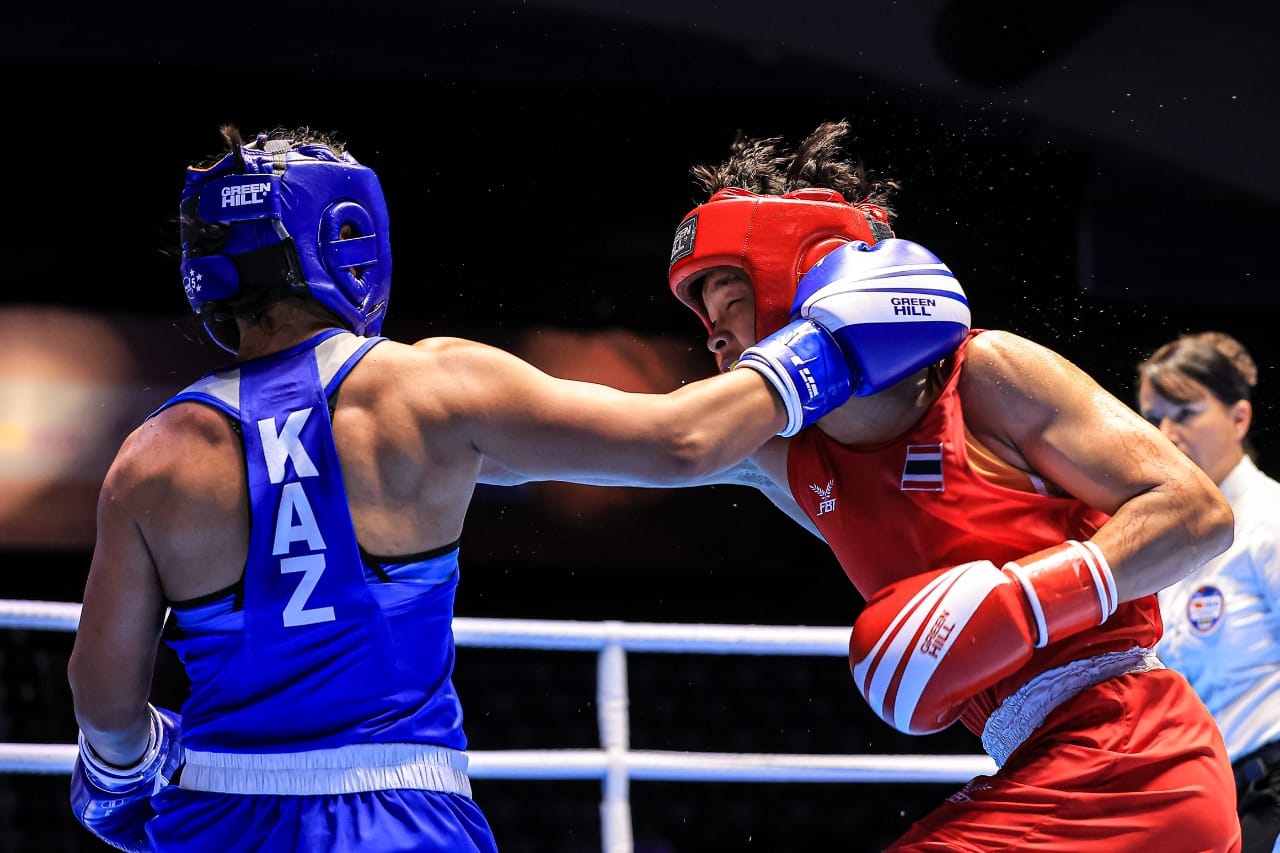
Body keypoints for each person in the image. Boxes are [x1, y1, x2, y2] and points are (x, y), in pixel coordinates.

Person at [64, 124, 963, 852]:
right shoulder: (428, 389)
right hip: (399, 815)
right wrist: (828, 349)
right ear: (344, 239)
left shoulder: (149, 460)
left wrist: (124, 770)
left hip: (210, 814)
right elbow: (684, 442)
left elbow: (102, 697)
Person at [493, 120, 1244, 850]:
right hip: (1046, 763)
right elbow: (596, 442)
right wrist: (427, 438)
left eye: (731, 303)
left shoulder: (983, 377)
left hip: (1136, 754)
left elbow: (1195, 511)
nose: (713, 335)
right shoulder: (781, 451)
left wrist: (1026, 600)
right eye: (704, 315)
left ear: (805, 274)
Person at [1137, 332, 1280, 853]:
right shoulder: (1159, 536)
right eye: (1154, 419)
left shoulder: (1272, 522)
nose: (1166, 435)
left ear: (1239, 418)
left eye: (1186, 413)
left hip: (1268, 794)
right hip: (1194, 795)